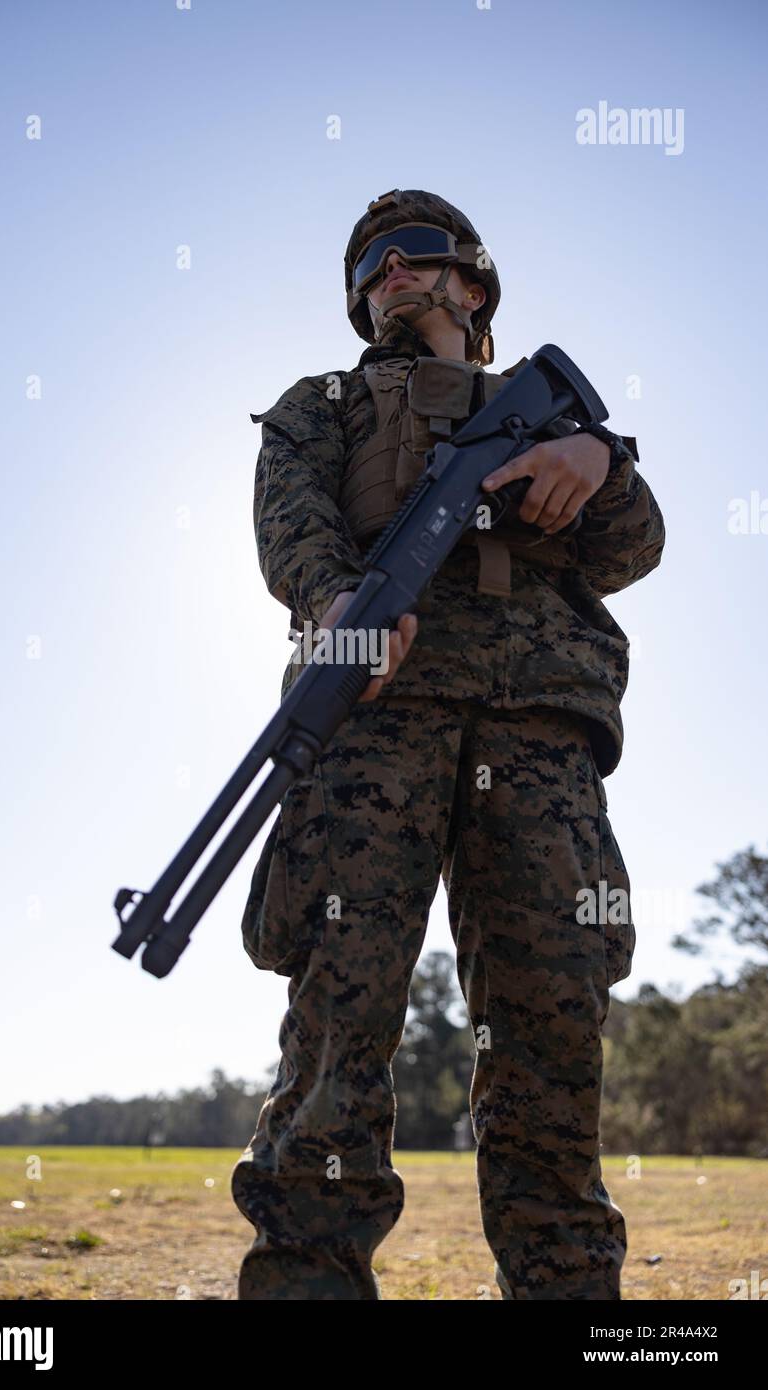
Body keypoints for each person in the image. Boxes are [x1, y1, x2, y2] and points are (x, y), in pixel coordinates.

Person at [230, 188, 665, 1300]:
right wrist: (339, 601)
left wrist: (597, 467)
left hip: (537, 734)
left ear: (472, 280)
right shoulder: (318, 404)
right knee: (339, 1024)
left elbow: (632, 546)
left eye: (413, 255)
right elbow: (292, 528)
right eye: (368, 263)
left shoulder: (556, 420)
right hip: (372, 722)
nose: (388, 274)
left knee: (550, 1032)